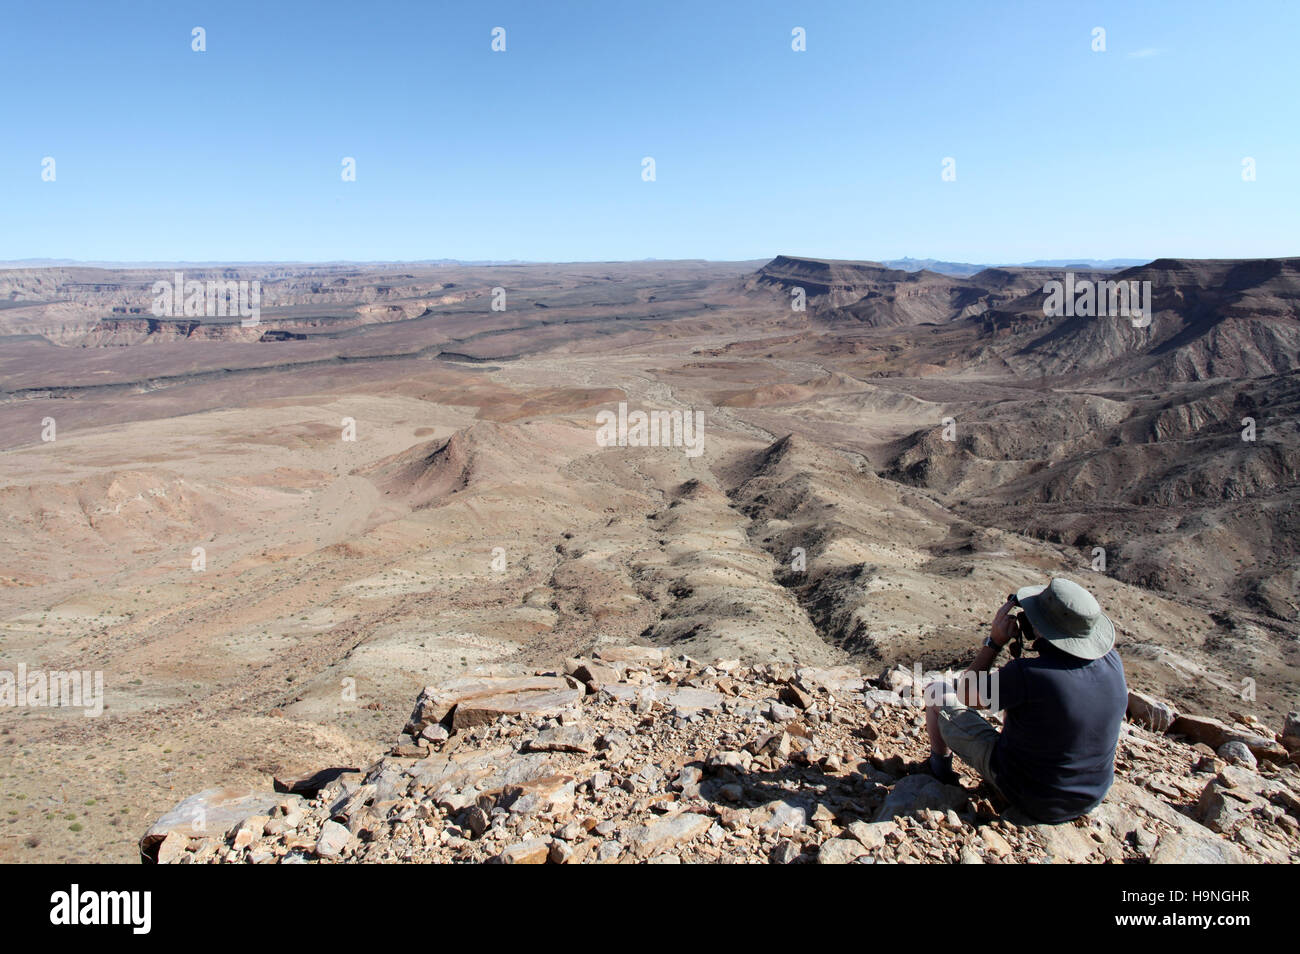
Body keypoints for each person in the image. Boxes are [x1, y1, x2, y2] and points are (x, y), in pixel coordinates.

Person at [922, 577, 1129, 823]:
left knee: (937, 692)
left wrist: (994, 642)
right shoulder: (1112, 661)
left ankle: (939, 773)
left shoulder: (1029, 674)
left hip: (1033, 798)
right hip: (1091, 796)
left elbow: (965, 694)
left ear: (1039, 627)